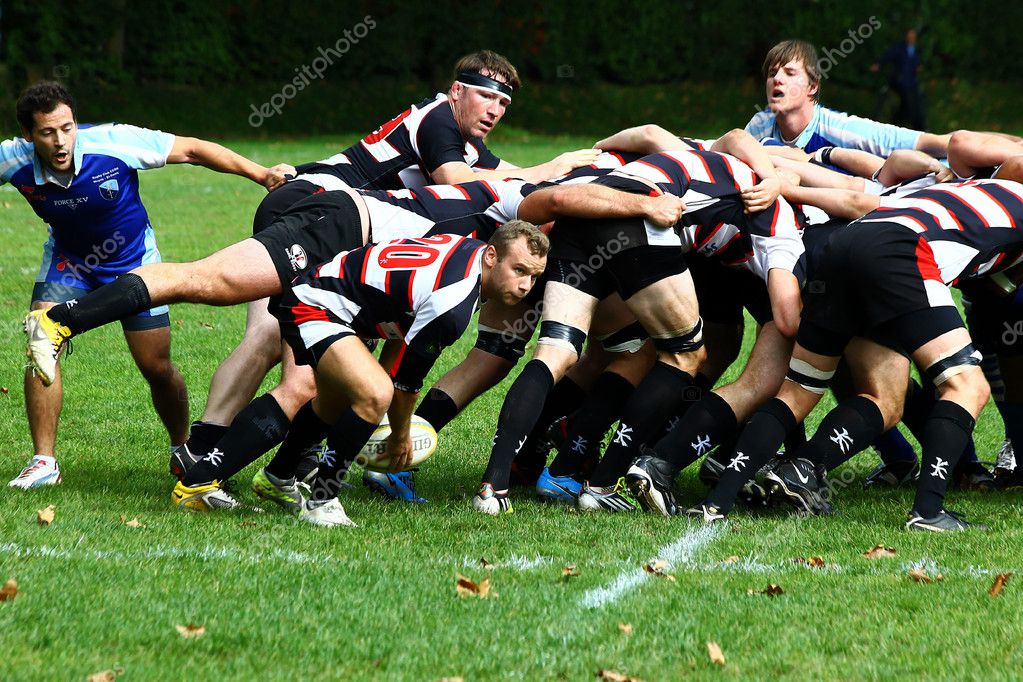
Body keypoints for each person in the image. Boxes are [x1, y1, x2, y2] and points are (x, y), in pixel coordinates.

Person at [184, 49, 600, 477]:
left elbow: (512, 177)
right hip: (321, 216)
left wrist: (564, 175)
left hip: (321, 217)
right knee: (307, 377)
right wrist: (549, 167)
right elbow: (460, 180)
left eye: (504, 103)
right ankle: (216, 470)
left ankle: (208, 448)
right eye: (487, 96)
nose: (495, 110)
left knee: (271, 339)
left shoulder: (464, 140)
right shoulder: (439, 121)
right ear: (457, 91)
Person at [644, 179, 1023, 530]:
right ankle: (928, 511)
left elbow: (996, 277)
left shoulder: (981, 188)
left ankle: (725, 498)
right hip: (902, 252)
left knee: (806, 391)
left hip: (841, 247)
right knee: (967, 386)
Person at [4, 81, 293, 489]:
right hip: (69, 263)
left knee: (156, 367)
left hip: (134, 264)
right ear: (28, 134)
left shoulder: (115, 142)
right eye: (47, 133)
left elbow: (193, 150)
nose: (61, 140)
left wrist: (261, 174)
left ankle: (182, 446)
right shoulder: (13, 157)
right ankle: (44, 461)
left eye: (67, 128)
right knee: (40, 339)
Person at [175, 222, 550, 527]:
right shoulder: (454, 303)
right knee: (375, 393)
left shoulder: (468, 249)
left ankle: (277, 477)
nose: (525, 286)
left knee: (331, 402)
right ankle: (316, 499)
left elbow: (404, 318)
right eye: (519, 270)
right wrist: (399, 437)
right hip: (317, 302)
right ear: (491, 256)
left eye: (534, 277)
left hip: (331, 298)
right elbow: (405, 385)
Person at [746, 39, 949, 157]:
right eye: (772, 73)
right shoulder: (759, 126)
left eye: (790, 73)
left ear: (812, 87)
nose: (777, 79)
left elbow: (908, 141)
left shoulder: (837, 129)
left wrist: (957, 149)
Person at [871, 29, 926, 130]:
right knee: (907, 101)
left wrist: (918, 68)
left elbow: (916, 64)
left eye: (913, 36)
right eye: (909, 36)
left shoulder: (916, 50)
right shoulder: (900, 48)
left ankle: (919, 127)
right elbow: (889, 55)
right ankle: (902, 122)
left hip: (911, 82)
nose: (911, 38)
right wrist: (878, 64)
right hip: (900, 81)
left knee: (916, 103)